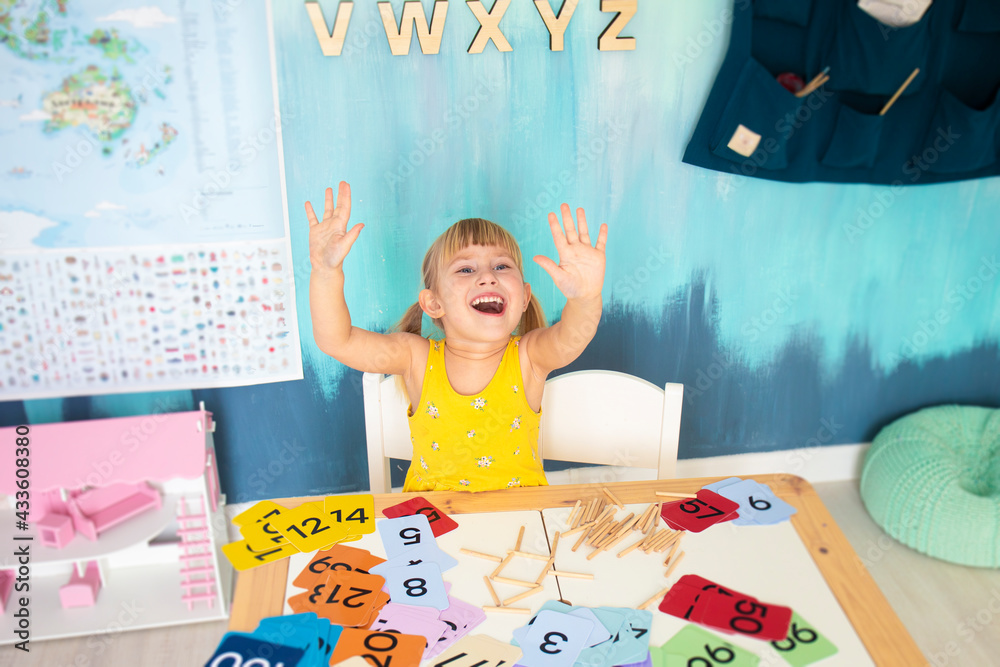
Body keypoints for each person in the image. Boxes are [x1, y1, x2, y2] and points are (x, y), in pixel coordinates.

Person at [306, 181, 607, 492]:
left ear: (525, 296)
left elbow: (573, 337)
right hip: (432, 523)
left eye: (502, 266)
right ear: (434, 303)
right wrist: (326, 272)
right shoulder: (415, 358)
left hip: (521, 519)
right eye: (465, 270)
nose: (487, 276)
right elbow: (336, 340)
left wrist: (585, 298)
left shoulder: (530, 356)